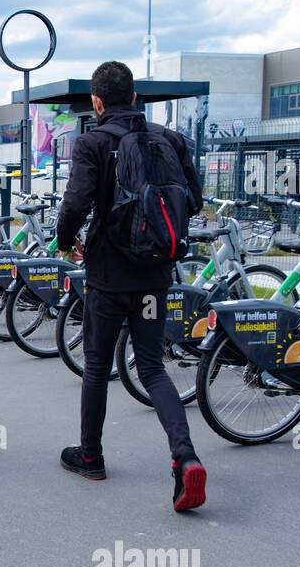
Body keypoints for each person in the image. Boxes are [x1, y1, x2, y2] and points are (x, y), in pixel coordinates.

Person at [54, 60, 207, 513]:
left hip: (107, 275)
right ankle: (186, 457)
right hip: (154, 274)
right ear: (136, 98)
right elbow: (193, 201)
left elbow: (76, 202)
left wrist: (66, 243)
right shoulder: (170, 139)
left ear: (97, 102)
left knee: (97, 366)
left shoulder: (92, 143)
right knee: (153, 368)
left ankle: (90, 456)